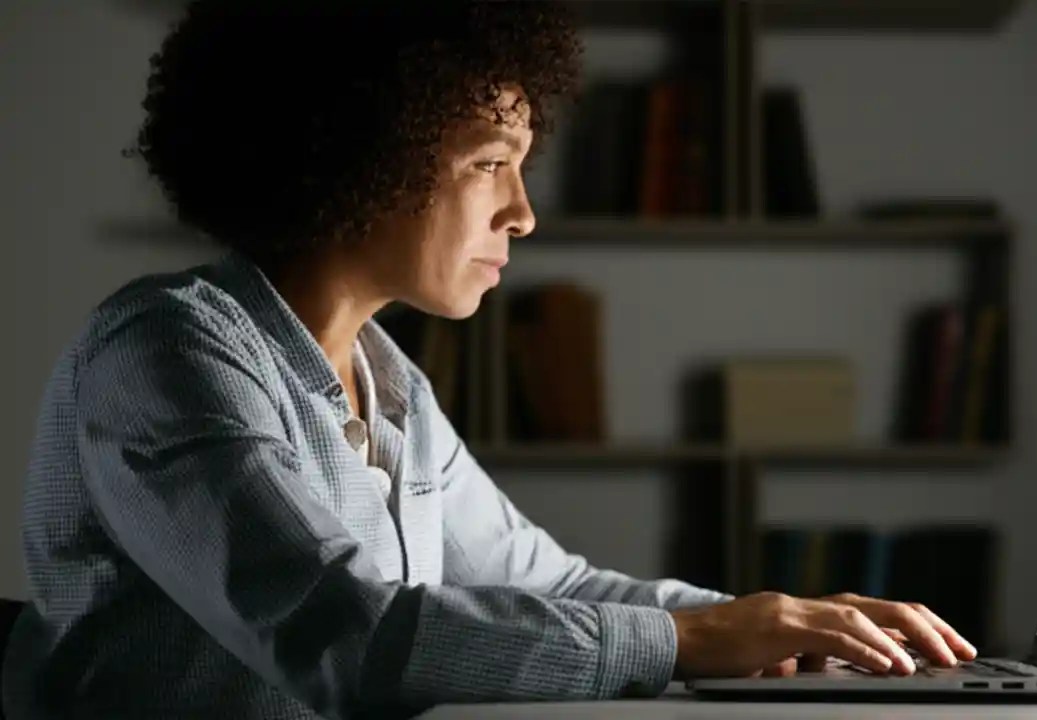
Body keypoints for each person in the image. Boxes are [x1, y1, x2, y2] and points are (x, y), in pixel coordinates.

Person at [2, 1, 976, 717]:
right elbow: (344, 639)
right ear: (360, 152)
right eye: (486, 163)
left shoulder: (389, 386)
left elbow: (548, 586)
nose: (522, 212)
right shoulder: (162, 351)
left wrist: (777, 624)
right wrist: (688, 640)